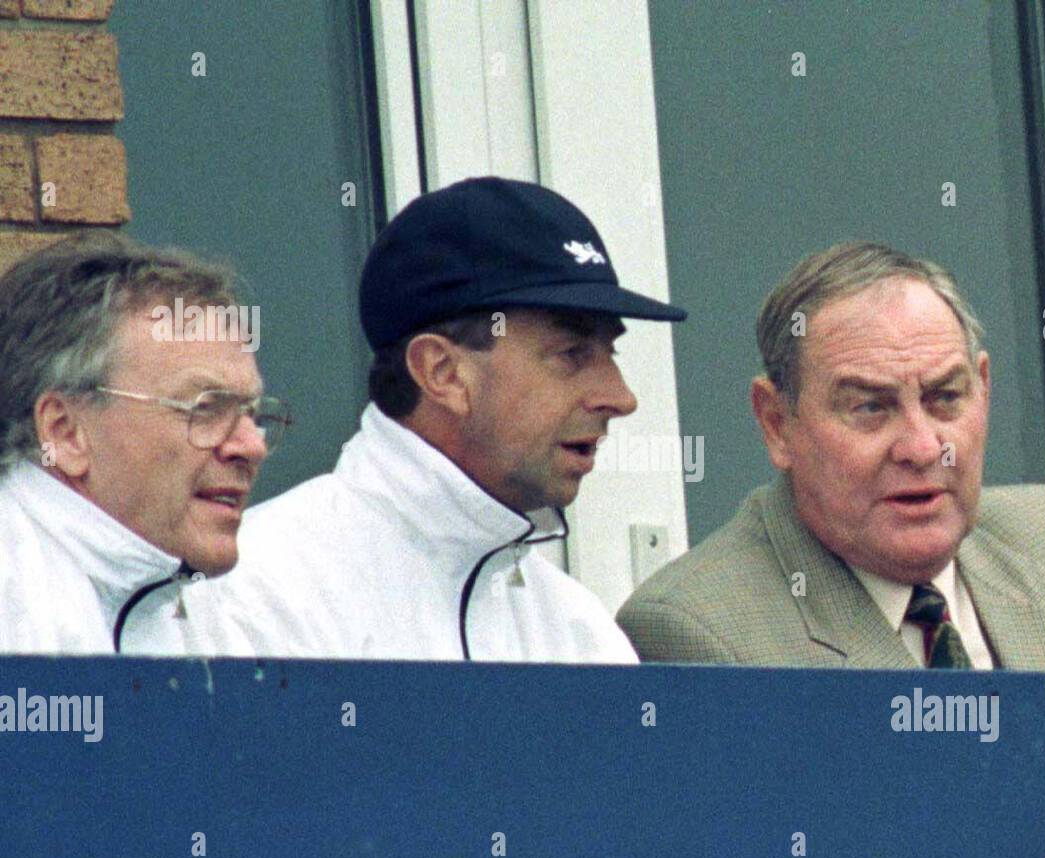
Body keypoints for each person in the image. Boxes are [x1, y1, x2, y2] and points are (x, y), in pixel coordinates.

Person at [617, 241, 1045, 674]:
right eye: (870, 408)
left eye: (945, 398)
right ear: (777, 424)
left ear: (984, 387)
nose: (923, 447)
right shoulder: (696, 632)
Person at [208, 176, 686, 661]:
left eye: (611, 352)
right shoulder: (252, 596)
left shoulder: (577, 633)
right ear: (443, 373)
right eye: (571, 353)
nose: (621, 397)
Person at [0, 233, 289, 654]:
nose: (251, 446)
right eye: (205, 408)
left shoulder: (217, 607)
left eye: (251, 412)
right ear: (65, 431)